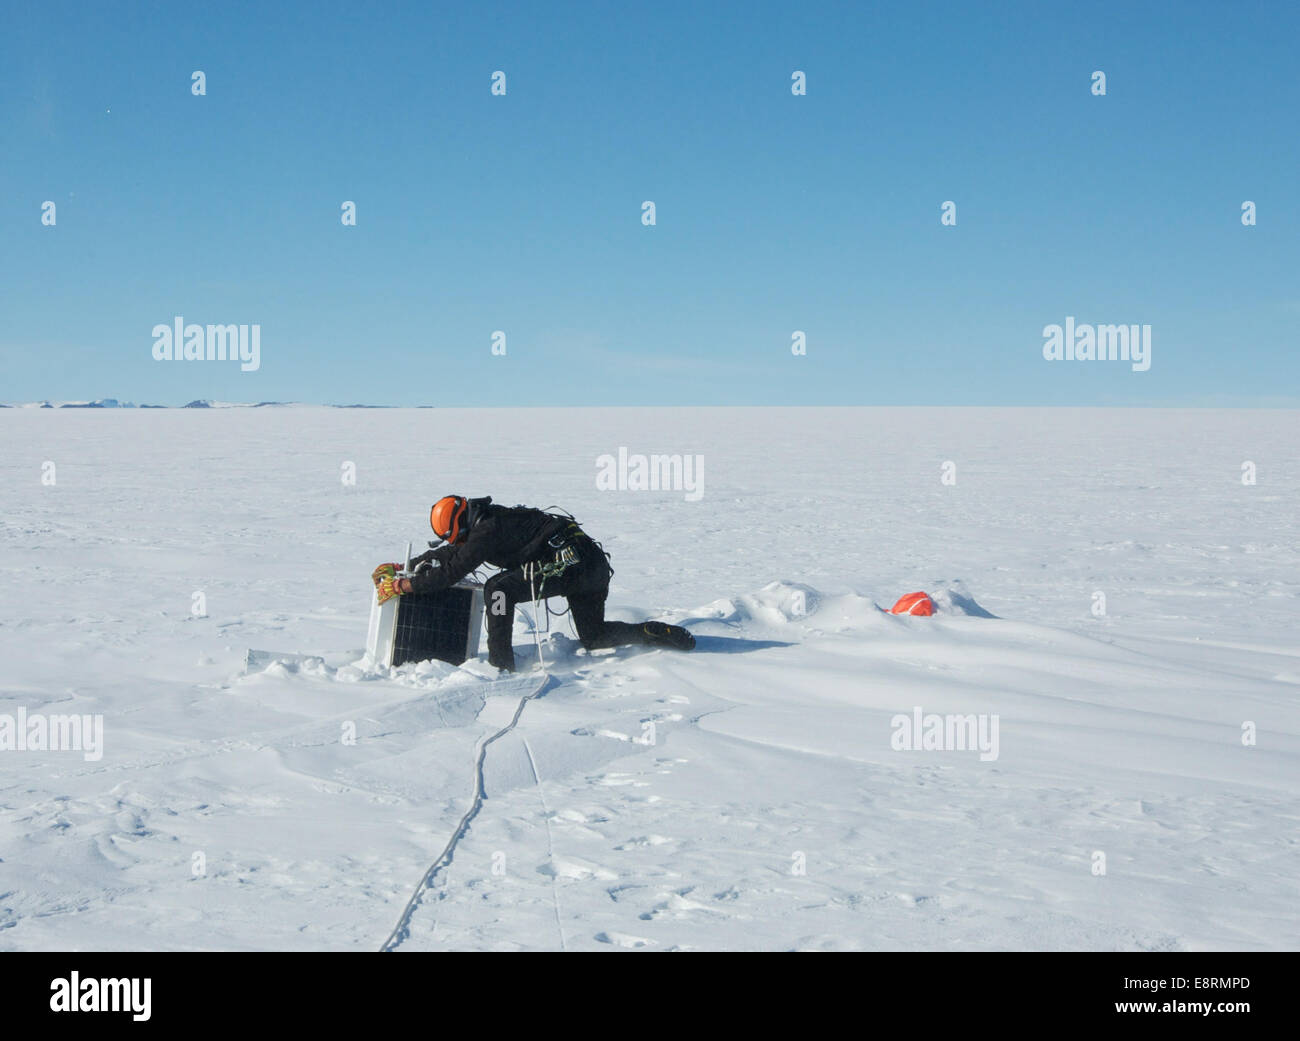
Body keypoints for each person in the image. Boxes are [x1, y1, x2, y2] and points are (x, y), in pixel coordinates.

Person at [373, 496, 695, 672]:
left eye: (456, 535)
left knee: (498, 590)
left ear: (461, 524)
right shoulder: (489, 521)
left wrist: (405, 587)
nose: (457, 541)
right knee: (595, 637)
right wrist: (408, 567)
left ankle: (501, 665)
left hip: (569, 566)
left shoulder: (487, 529)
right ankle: (649, 632)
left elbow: (452, 570)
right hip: (592, 566)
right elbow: (455, 553)